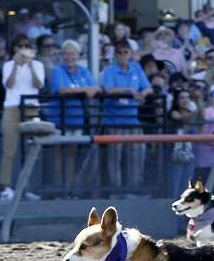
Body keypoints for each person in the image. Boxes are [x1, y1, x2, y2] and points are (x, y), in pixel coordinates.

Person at [99, 40, 151, 192]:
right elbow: (108, 90)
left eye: (125, 52)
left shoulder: (136, 68)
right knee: (115, 157)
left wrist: (143, 94)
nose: (122, 55)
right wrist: (129, 90)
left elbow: (147, 87)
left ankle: (134, 188)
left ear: (131, 54)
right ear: (115, 54)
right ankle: (116, 190)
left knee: (137, 154)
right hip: (114, 119)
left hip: (132, 119)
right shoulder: (109, 70)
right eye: (119, 52)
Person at [0, 35, 45, 201]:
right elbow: (9, 84)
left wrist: (31, 65)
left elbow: (39, 85)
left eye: (26, 46)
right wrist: (16, 66)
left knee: (31, 148)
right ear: (14, 48)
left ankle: (28, 187)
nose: (23, 49)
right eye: (20, 46)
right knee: (8, 150)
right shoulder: (8, 65)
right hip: (12, 107)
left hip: (31, 108)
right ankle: (5, 188)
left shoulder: (38, 64)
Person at [48, 40, 99, 189]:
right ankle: (58, 187)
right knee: (59, 154)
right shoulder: (57, 70)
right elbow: (61, 89)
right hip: (60, 118)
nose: (69, 57)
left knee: (71, 154)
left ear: (78, 55)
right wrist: (83, 90)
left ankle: (68, 187)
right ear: (62, 55)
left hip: (76, 117)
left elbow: (95, 87)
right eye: (66, 54)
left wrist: (89, 89)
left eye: (72, 53)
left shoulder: (83, 70)